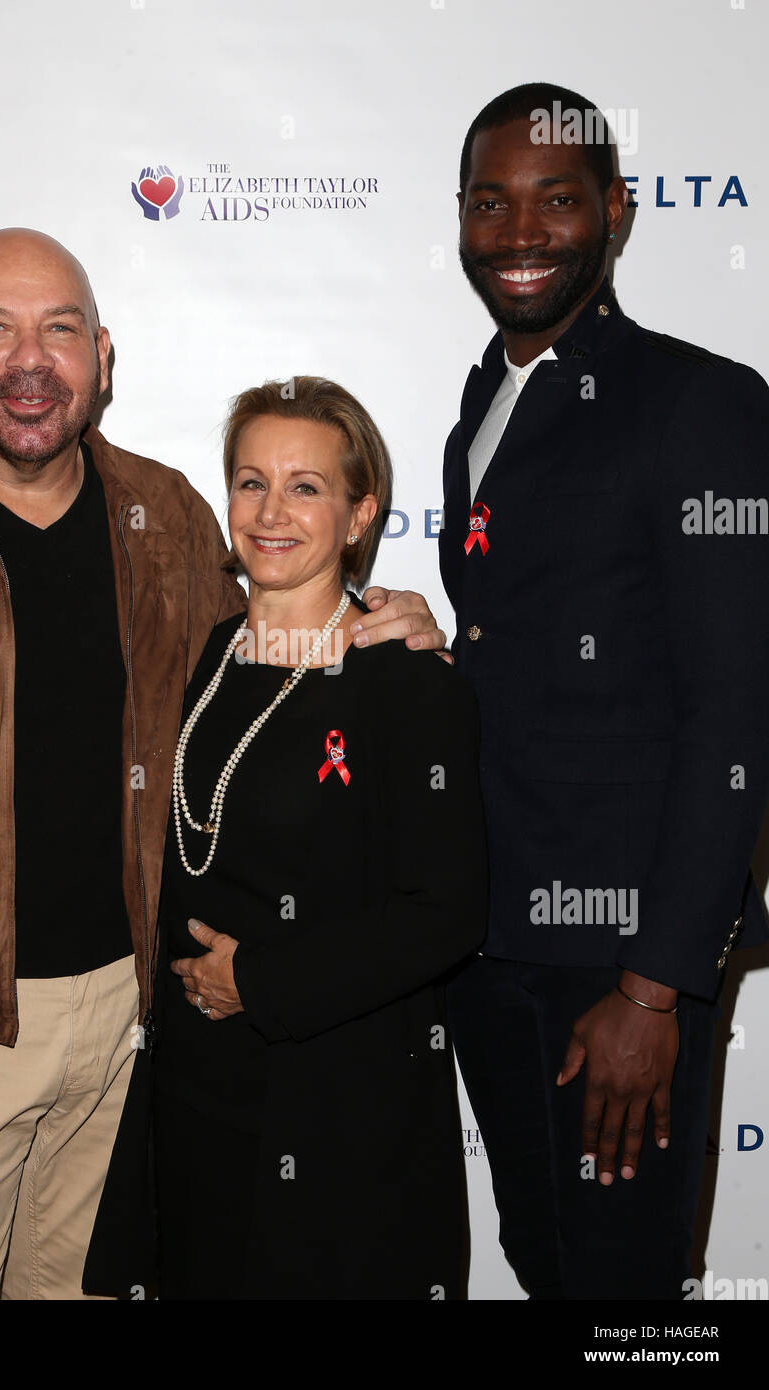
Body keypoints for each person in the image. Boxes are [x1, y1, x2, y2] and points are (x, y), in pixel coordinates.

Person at [0, 228, 446, 1301]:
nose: (29, 360)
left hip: (132, 1025)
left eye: (59, 329)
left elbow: (268, 674)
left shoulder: (167, 517)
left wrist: (392, 620)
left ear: (102, 357)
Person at [440, 83, 769, 1300]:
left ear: (616, 211)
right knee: (545, 1263)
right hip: (488, 945)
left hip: (622, 961)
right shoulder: (482, 404)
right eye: (490, 202)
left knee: (624, 1292)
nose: (520, 232)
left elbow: (736, 713)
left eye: (556, 199)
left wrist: (655, 985)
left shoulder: (702, 403)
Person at [84, 377, 488, 1301]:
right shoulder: (212, 653)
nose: (271, 512)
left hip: (339, 1101)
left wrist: (261, 983)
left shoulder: (409, 682)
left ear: (360, 515)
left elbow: (448, 913)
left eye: (306, 487)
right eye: (251, 482)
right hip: (197, 1092)